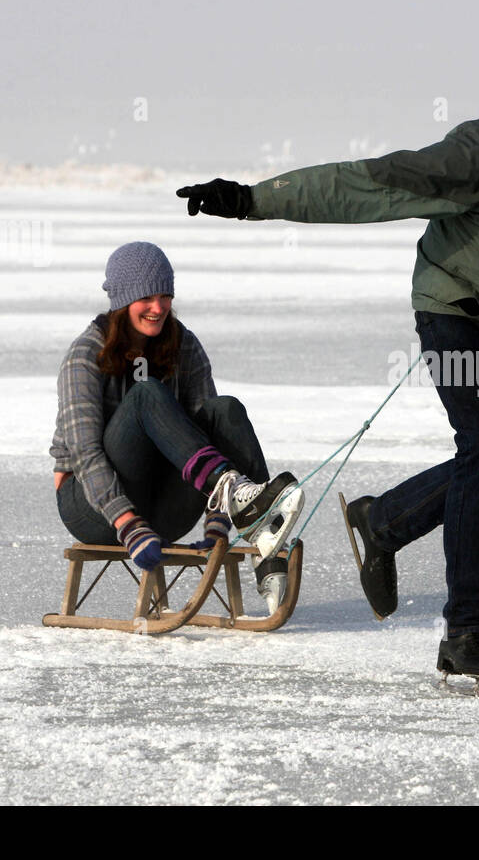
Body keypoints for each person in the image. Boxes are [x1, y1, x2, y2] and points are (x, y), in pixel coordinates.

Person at [177, 57, 479, 680]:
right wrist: (254, 199)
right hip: (455, 313)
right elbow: (371, 185)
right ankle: (465, 635)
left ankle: (382, 522)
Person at [50, 241, 305, 613]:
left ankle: (263, 535)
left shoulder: (183, 345)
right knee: (146, 393)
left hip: (162, 503)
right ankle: (240, 501)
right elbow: (86, 456)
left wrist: (217, 527)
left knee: (225, 410)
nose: (158, 307)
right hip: (91, 506)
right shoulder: (85, 354)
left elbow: (211, 437)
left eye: (165, 295)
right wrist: (128, 524)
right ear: (123, 301)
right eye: (147, 297)